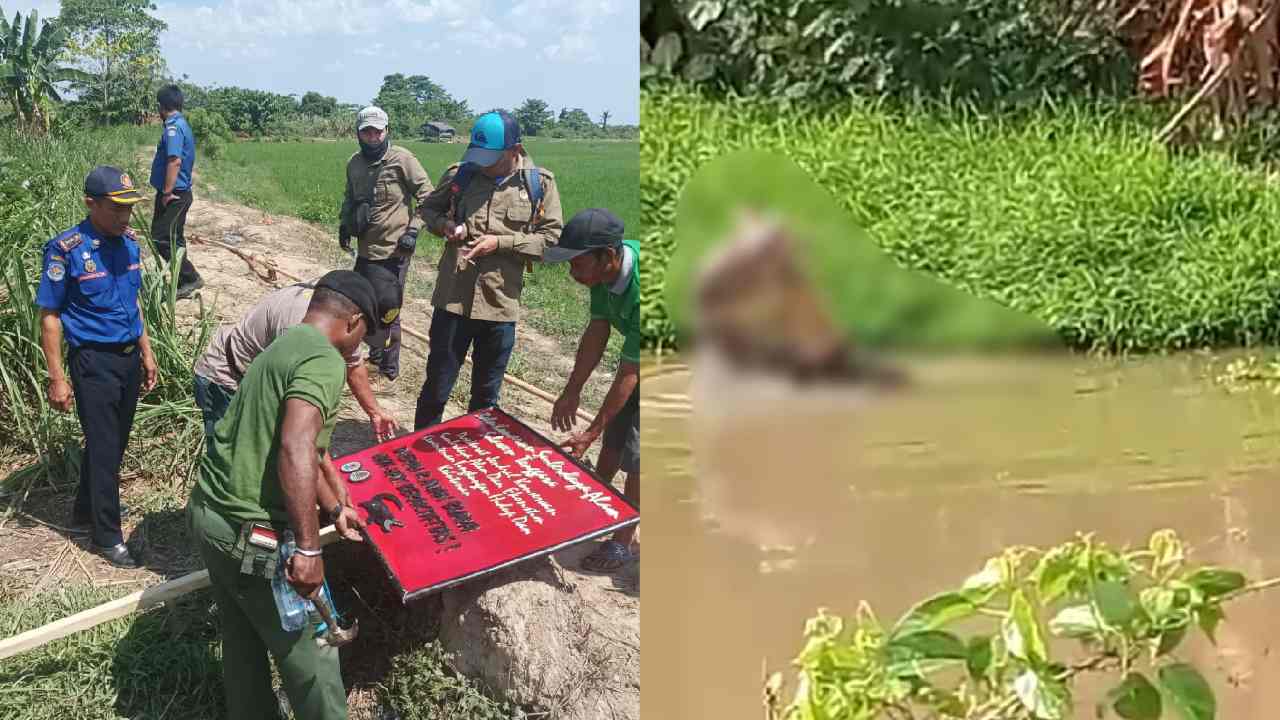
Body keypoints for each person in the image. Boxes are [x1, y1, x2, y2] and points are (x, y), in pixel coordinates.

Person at [187, 270, 375, 720]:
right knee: (314, 649)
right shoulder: (325, 360)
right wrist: (309, 548)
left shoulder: (284, 342)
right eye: (366, 332)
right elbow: (297, 447)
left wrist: (335, 508)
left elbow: (301, 442)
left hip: (209, 514)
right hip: (251, 535)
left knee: (243, 643)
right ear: (352, 321)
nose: (361, 347)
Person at [36, 166, 159, 569]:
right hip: (93, 362)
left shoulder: (129, 245)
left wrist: (146, 350)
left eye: (129, 209)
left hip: (127, 357)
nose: (124, 217)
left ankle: (83, 510)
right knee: (106, 449)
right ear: (90, 203)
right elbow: (50, 316)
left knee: (112, 443)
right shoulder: (66, 250)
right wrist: (57, 378)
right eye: (115, 209)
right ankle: (108, 537)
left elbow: (134, 302)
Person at [414, 110, 563, 430]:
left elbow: (551, 242)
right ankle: (418, 454)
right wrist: (446, 226)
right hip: (453, 298)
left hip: (499, 304)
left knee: (485, 397)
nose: (483, 164)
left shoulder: (539, 184)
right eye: (478, 156)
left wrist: (501, 243)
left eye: (491, 158)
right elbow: (428, 209)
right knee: (436, 388)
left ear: (516, 150)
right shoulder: (461, 175)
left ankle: (471, 463)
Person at [192, 263, 403, 444]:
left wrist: (374, 411)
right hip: (225, 381)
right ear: (356, 317)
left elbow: (353, 364)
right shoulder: (301, 323)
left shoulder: (341, 313)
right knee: (234, 461)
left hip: (256, 377)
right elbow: (289, 414)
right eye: (367, 328)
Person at [543, 209, 640, 573]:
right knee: (615, 438)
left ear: (608, 257)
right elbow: (597, 332)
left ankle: (622, 541)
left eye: (577, 264)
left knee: (641, 457)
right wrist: (572, 391)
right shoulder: (603, 276)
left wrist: (591, 429)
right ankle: (599, 505)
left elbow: (631, 372)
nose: (572, 273)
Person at [339, 105, 433, 382]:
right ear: (358, 133)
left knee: (388, 309)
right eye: (366, 132)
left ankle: (388, 369)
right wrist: (345, 225)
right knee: (363, 303)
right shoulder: (354, 163)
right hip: (367, 248)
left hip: (395, 250)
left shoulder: (402, 159)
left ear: (386, 131)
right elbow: (349, 198)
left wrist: (413, 230)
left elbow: (429, 196)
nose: (372, 137)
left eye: (377, 132)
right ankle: (375, 354)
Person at [149, 84, 203, 299]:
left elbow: (174, 161)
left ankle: (190, 277)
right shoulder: (182, 124)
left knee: (160, 238)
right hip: (179, 193)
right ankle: (182, 280)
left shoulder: (173, 127)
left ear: (161, 107)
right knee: (175, 239)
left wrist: (166, 192)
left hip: (174, 194)